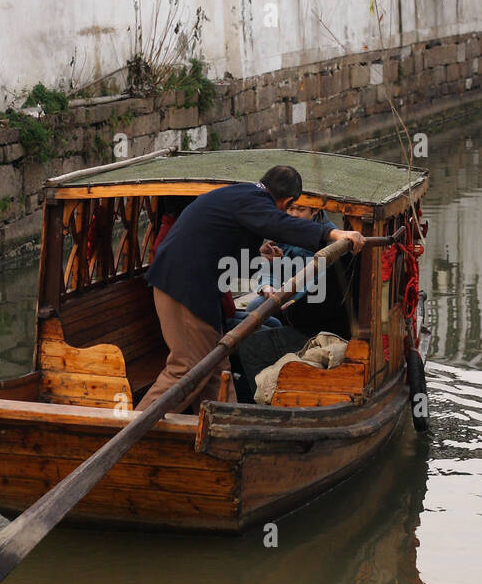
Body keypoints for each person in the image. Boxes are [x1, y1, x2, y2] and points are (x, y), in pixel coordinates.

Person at [136, 166, 365, 412]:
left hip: (192, 287)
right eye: (291, 208)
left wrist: (257, 255)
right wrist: (334, 233)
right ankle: (132, 430)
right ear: (287, 201)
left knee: (216, 366)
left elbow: (222, 254)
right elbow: (280, 224)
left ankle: (227, 430)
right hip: (183, 288)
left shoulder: (242, 196)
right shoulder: (254, 201)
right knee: (187, 368)